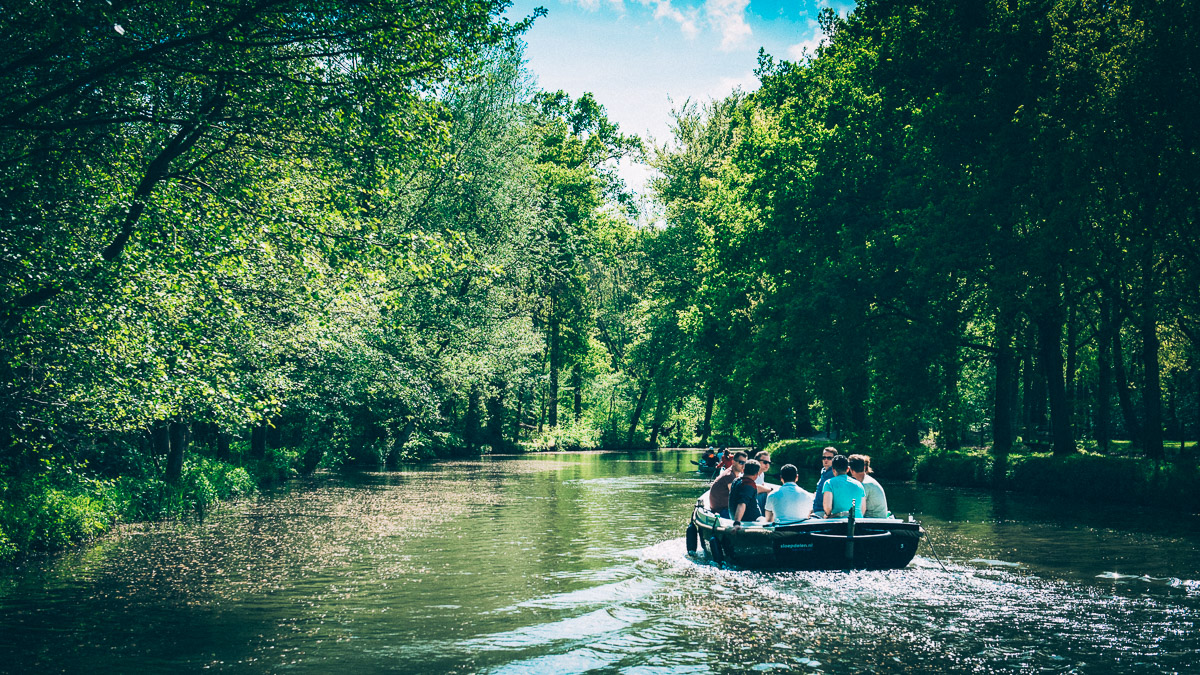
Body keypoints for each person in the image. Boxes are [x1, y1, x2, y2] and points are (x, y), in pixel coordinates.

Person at [848, 454, 890, 518]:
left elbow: (861, 510)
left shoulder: (865, 485)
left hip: (873, 521)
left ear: (851, 470)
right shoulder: (867, 480)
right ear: (864, 467)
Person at [707, 451, 746, 518]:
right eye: (741, 462)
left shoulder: (733, 474)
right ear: (733, 462)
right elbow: (737, 496)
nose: (744, 466)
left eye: (745, 463)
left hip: (723, 508)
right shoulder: (729, 476)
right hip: (721, 511)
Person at [730, 459, 764, 524]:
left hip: (735, 516)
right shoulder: (748, 485)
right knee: (766, 520)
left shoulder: (736, 481)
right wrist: (737, 523)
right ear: (756, 474)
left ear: (743, 470)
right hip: (751, 520)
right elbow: (741, 504)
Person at [811, 446, 837, 514]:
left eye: (829, 458)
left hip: (823, 511)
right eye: (824, 458)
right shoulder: (823, 472)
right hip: (817, 509)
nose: (826, 460)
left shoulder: (833, 474)